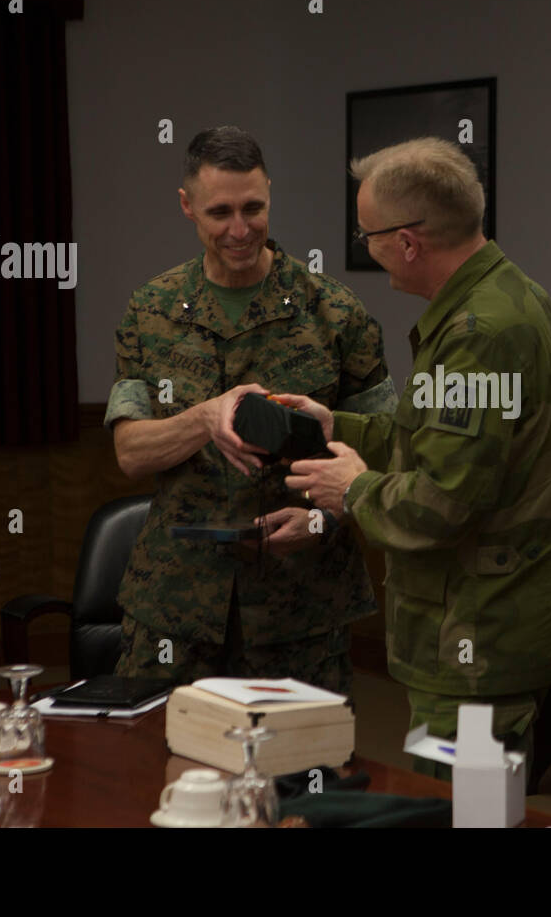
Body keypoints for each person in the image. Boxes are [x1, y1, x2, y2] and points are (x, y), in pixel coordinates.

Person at [279, 138, 551, 781]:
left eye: (368, 238)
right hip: (494, 621)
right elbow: (445, 439)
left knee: (464, 815)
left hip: (479, 638)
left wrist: (353, 490)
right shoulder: (505, 298)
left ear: (408, 242)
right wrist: (340, 426)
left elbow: (443, 502)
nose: (369, 250)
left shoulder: (478, 333)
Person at [106, 126, 396, 694]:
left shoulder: (334, 312)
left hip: (301, 606)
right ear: (187, 206)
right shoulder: (151, 310)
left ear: (270, 196)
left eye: (253, 208)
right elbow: (130, 454)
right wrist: (204, 419)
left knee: (304, 772)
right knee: (157, 770)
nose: (240, 230)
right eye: (220, 212)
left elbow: (388, 448)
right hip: (178, 603)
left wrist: (324, 518)